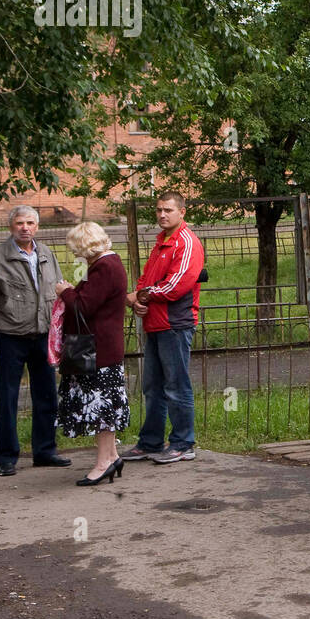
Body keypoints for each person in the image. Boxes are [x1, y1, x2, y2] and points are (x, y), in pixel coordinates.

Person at [0, 206, 70, 476]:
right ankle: (6, 457)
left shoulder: (47, 254)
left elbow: (59, 292)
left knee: (47, 395)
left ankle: (45, 451)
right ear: (10, 226)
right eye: (19, 223)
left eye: (30, 223)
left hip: (43, 336)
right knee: (7, 398)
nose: (25, 227)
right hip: (11, 337)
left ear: (37, 227)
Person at [121, 192, 204, 465]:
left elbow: (175, 285)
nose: (162, 215)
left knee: (176, 386)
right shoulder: (161, 242)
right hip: (155, 322)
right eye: (158, 210)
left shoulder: (186, 242)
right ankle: (151, 442)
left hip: (175, 324)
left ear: (182, 212)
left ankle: (183, 442)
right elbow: (147, 279)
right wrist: (138, 301)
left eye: (168, 210)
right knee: (153, 386)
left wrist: (140, 296)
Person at [54, 222, 130, 486]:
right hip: (99, 347)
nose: (76, 254)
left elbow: (84, 306)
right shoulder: (105, 264)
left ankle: (104, 462)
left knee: (102, 408)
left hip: (99, 349)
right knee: (104, 405)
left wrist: (66, 292)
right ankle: (112, 456)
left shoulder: (104, 267)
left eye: (76, 248)